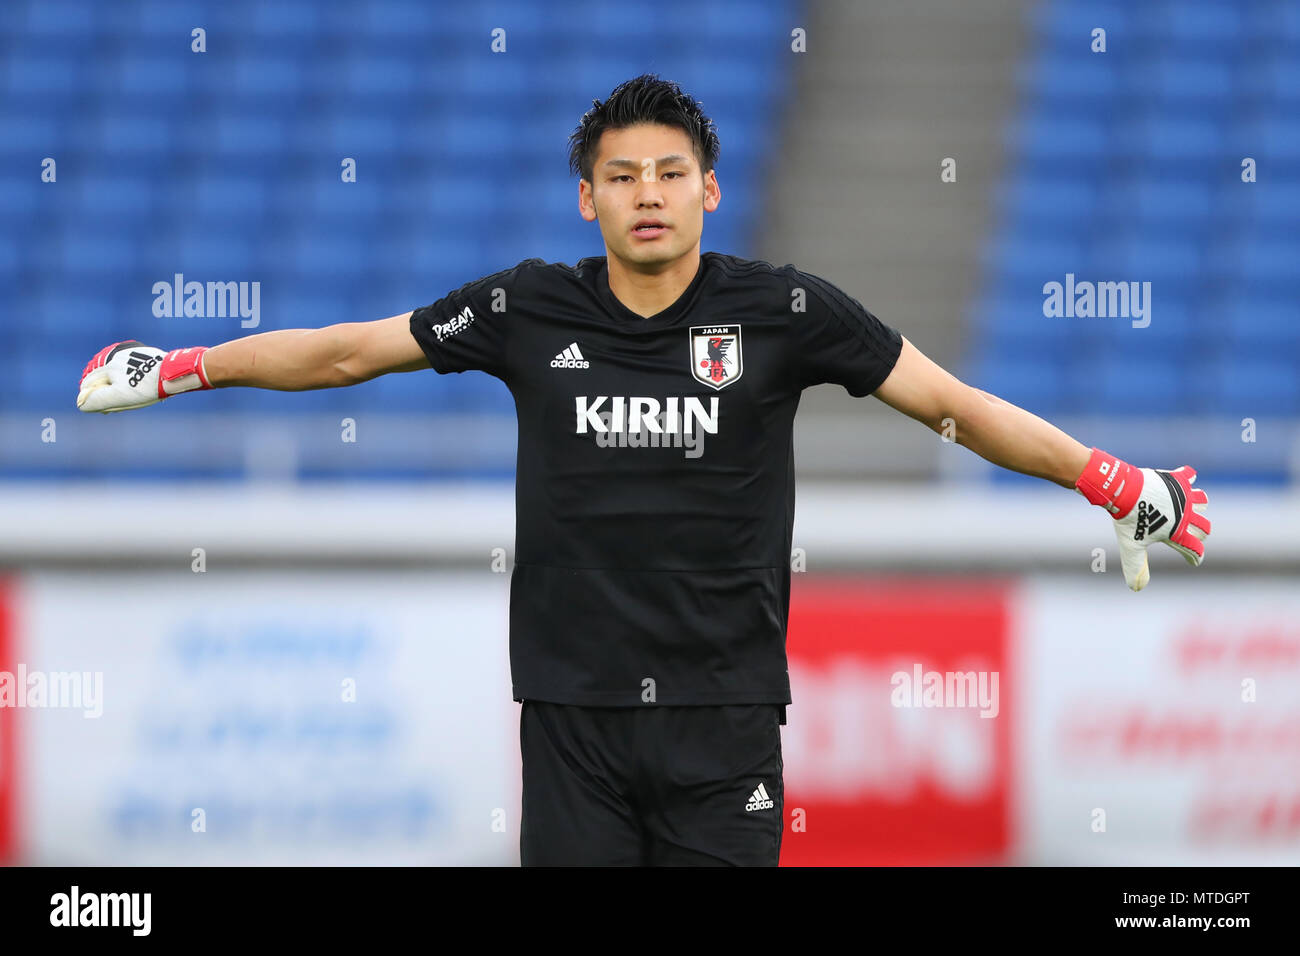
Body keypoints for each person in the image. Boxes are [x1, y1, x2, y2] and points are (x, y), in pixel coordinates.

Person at [76, 74, 1211, 866]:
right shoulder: (528, 305)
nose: (649, 193)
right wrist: (183, 365)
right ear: (588, 197)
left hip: (724, 718)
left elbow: (953, 406)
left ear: (711, 188)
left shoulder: (786, 309)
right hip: (572, 714)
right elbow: (347, 350)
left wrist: (1107, 477)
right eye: (622, 176)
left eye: (672, 172)